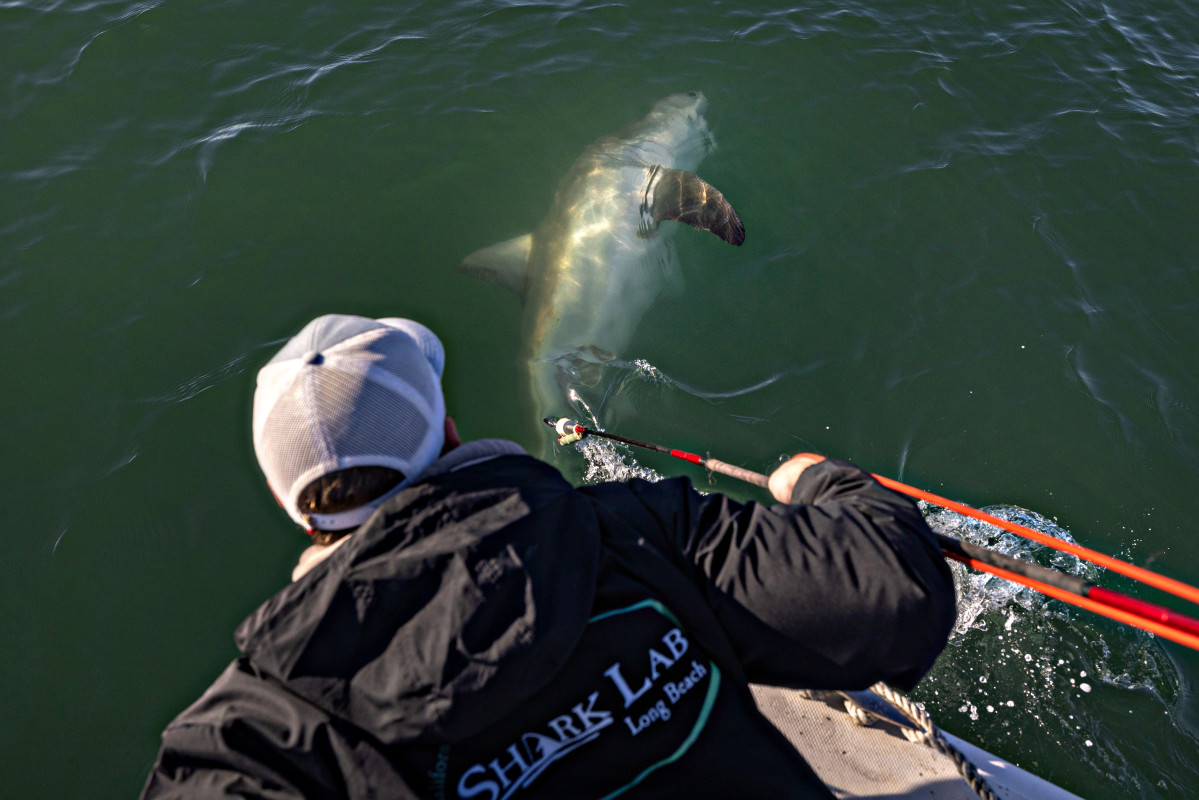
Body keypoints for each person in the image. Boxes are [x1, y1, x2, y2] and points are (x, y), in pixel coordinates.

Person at [141, 314, 956, 800]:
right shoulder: (629, 529)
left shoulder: (255, 731)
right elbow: (899, 594)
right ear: (450, 433)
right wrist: (823, 482)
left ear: (295, 512)